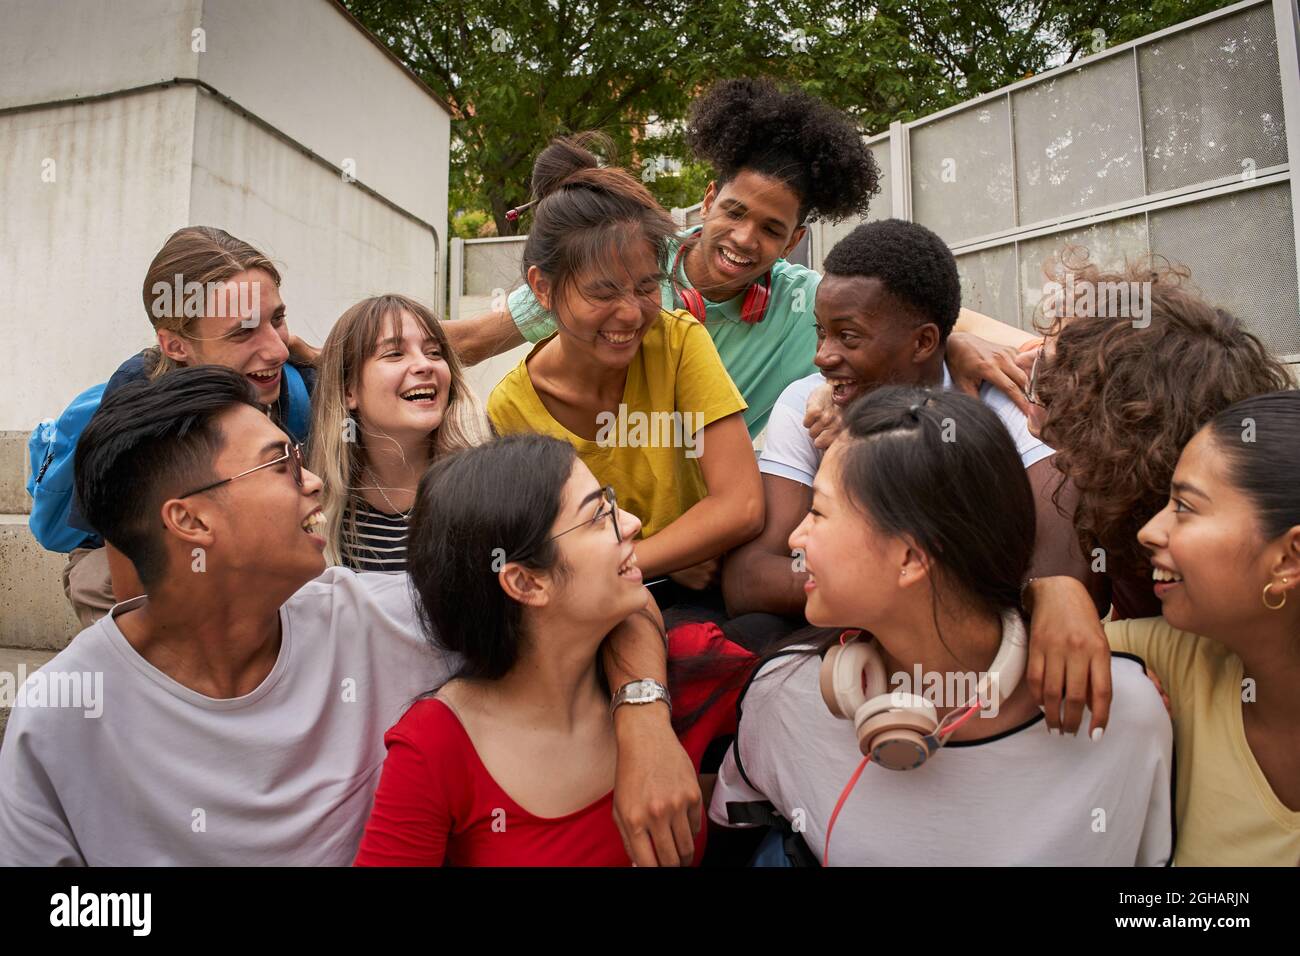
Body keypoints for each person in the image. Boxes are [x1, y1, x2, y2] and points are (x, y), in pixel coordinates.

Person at [0, 367, 702, 866]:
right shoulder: (61, 717)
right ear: (191, 521)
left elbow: (609, 598)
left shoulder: (383, 619)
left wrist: (642, 720)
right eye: (280, 465)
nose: (313, 483)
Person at [709, 387, 1173, 866]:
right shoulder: (782, 700)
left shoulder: (1123, 712)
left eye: (819, 512)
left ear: (910, 557)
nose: (795, 537)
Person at [355, 435, 746, 866]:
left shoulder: (684, 669)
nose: (632, 522)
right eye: (600, 516)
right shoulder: (435, 747)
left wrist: (647, 721)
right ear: (526, 582)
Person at [450, 77, 879, 440]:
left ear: (793, 242)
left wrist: (838, 390)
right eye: (734, 211)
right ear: (709, 201)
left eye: (771, 230)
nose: (745, 238)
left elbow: (919, 336)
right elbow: (469, 341)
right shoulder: (623, 256)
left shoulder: (807, 304)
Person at [724, 220, 1093, 625]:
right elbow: (748, 580)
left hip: (967, 655)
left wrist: (872, 585)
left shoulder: (1003, 399)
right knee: (754, 630)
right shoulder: (807, 405)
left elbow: (1063, 575)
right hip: (857, 640)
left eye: (848, 337)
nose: (822, 356)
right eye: (821, 332)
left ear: (924, 343)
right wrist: (889, 587)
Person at [487, 135, 762, 606]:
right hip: (590, 603)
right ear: (543, 288)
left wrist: (637, 560)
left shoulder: (676, 342)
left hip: (690, 595)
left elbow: (742, 505)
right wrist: (667, 554)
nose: (631, 313)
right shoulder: (512, 408)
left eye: (645, 287)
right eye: (603, 292)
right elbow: (548, 552)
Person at [1034, 391, 1300, 865]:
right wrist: (1050, 593)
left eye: (1185, 507)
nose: (1150, 532)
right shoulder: (1175, 658)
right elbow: (980, 655)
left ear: (1288, 558)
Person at [48, 226, 318, 624]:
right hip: (134, 561)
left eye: (277, 318)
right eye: (243, 331)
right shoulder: (138, 393)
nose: (277, 350)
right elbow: (127, 575)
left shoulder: (293, 381)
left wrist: (316, 353)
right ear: (176, 346)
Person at [308, 294, 487, 571]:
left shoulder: (489, 484)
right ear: (348, 390)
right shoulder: (313, 506)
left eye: (434, 352)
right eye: (394, 354)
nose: (425, 365)